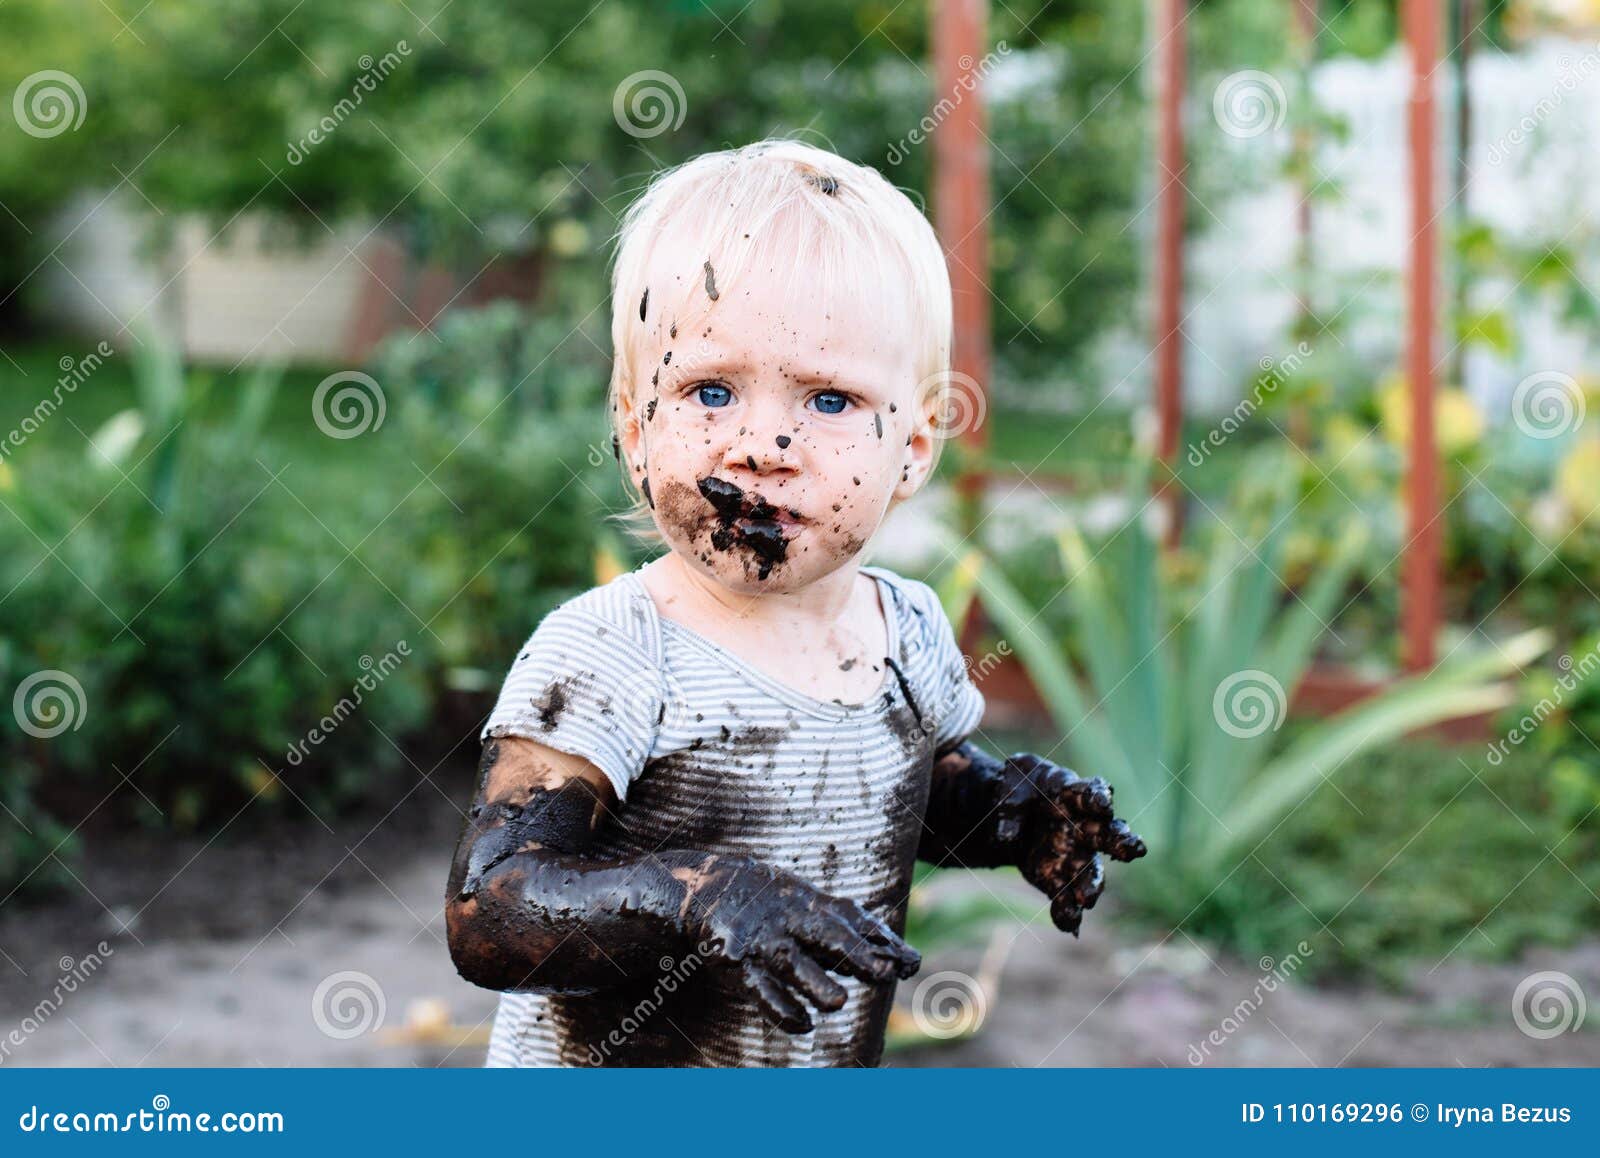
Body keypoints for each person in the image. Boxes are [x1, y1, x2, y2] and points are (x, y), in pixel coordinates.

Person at [445, 138, 1146, 1067]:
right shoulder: (613, 653)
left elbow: (902, 800)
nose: (763, 443)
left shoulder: (907, 635)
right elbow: (491, 910)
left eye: (827, 401)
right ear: (634, 424)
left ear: (917, 444)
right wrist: (699, 896)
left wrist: (1018, 815)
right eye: (711, 389)